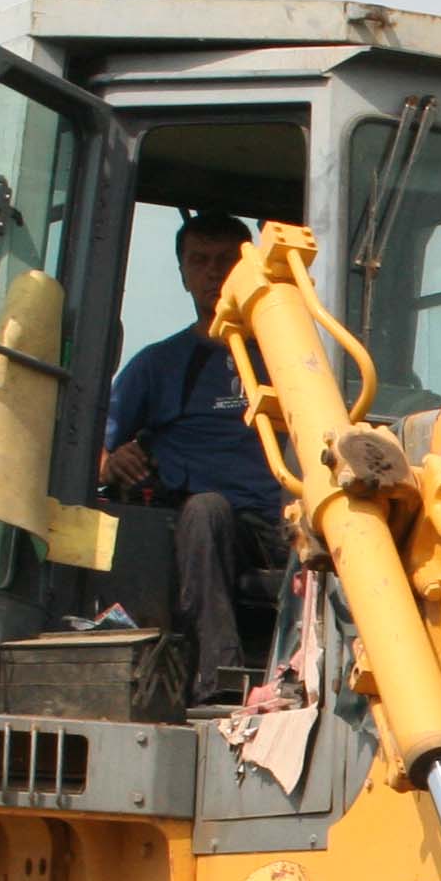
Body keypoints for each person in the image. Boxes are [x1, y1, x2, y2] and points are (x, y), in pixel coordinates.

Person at [103, 213, 287, 706]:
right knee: (206, 511)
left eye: (226, 261)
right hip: (220, 529)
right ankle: (221, 683)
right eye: (199, 261)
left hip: (292, 518)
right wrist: (110, 462)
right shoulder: (157, 365)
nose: (212, 273)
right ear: (182, 272)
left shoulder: (288, 358)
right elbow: (94, 452)